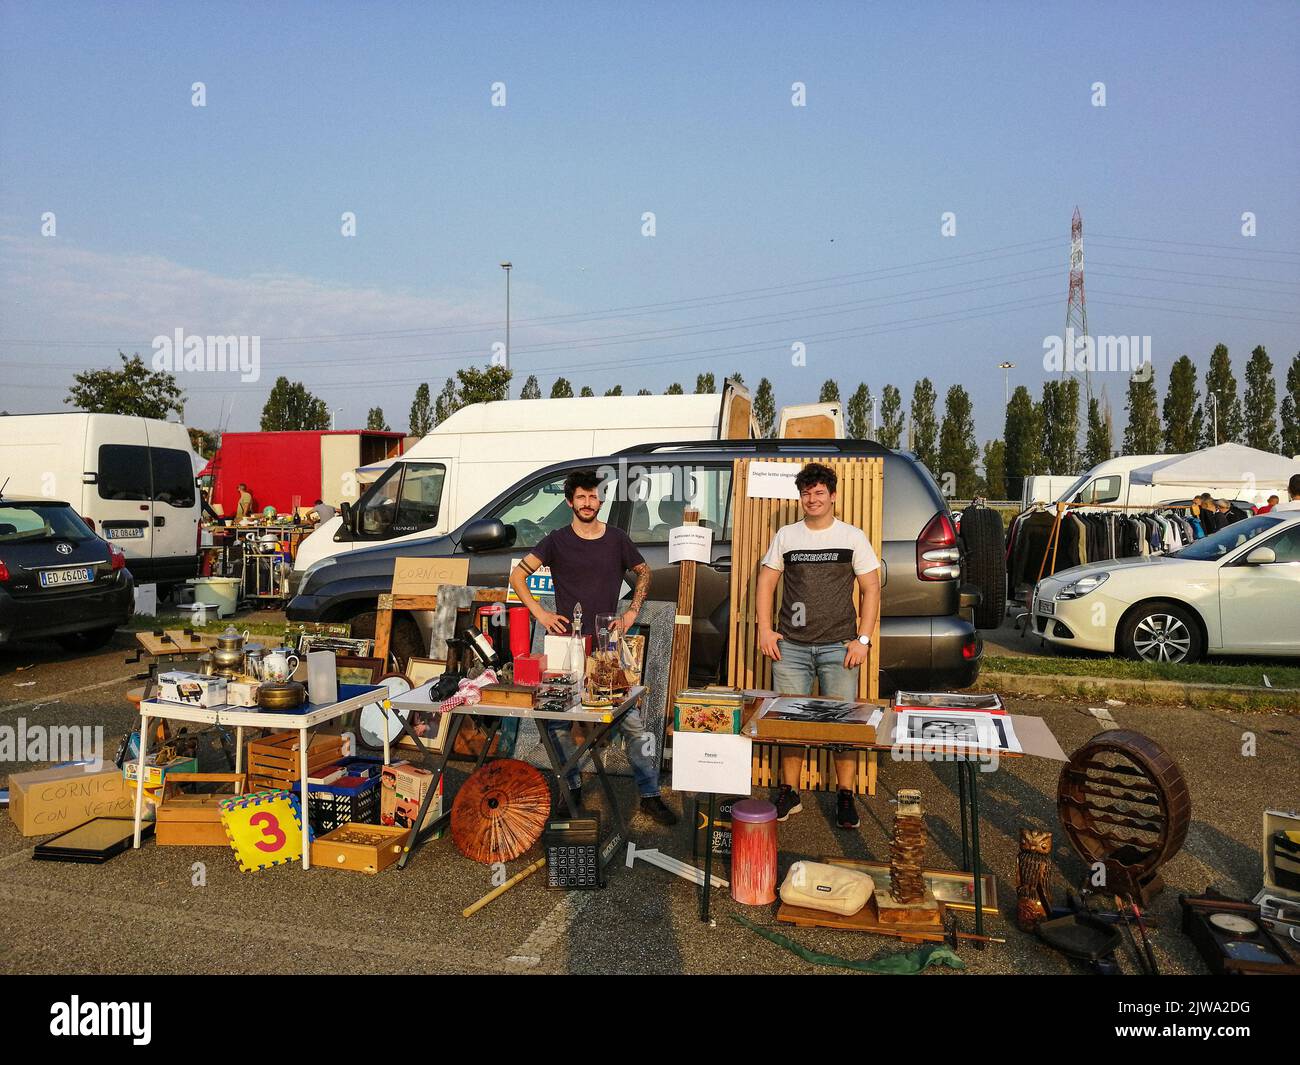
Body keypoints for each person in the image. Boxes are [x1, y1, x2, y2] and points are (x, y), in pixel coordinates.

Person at [509, 468, 678, 825]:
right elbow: (517, 576)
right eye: (581, 497)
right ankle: (570, 787)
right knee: (556, 722)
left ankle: (649, 794)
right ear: (570, 501)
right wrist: (540, 612)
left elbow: (645, 572)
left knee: (631, 720)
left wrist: (632, 612)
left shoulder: (616, 539)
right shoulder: (555, 540)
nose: (588, 503)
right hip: (566, 647)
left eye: (593, 496)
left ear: (600, 500)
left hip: (606, 648)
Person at [756, 462, 881, 830]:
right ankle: (790, 792)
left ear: (833, 496)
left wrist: (863, 640)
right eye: (806, 493)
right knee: (790, 722)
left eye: (819, 493)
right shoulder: (787, 536)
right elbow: (766, 583)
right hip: (791, 648)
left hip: (839, 648)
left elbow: (872, 588)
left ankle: (845, 795)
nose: (812, 499)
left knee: (842, 725)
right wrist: (765, 630)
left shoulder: (853, 537)